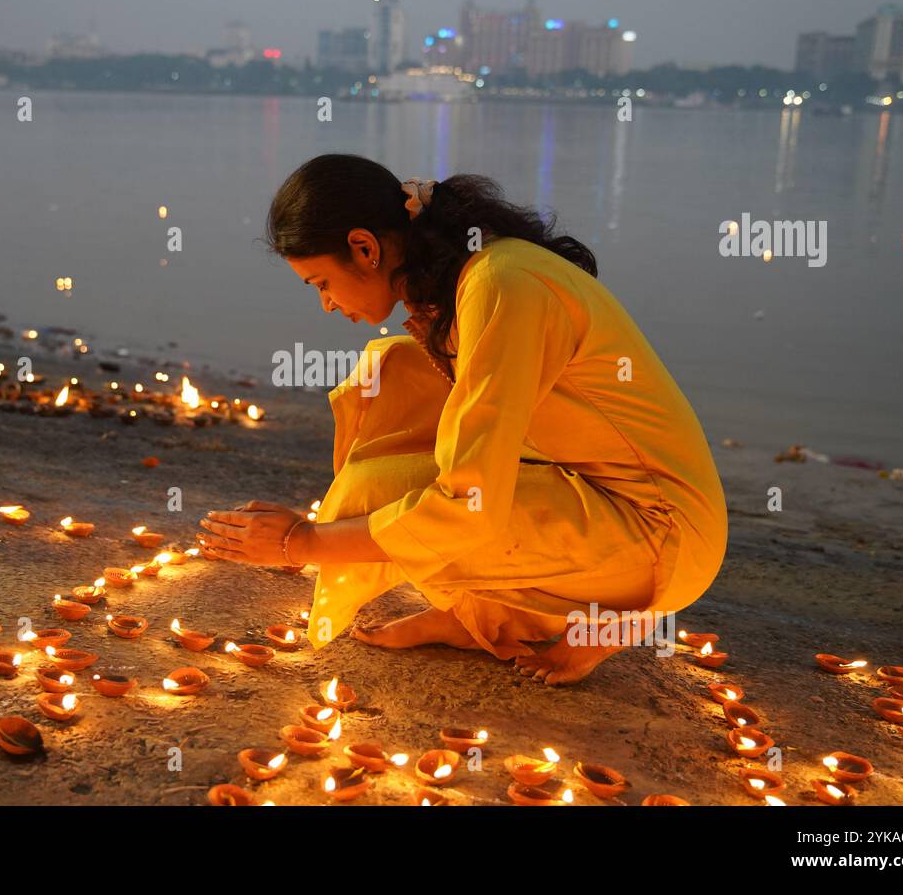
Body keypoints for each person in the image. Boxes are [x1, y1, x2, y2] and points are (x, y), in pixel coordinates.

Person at [196, 154, 728, 686]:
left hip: (660, 532)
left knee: (387, 497)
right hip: (592, 494)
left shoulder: (503, 282)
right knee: (385, 373)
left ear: (364, 248)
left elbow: (468, 507)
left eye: (321, 283)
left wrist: (303, 541)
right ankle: (477, 616)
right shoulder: (473, 279)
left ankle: (589, 619)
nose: (328, 306)